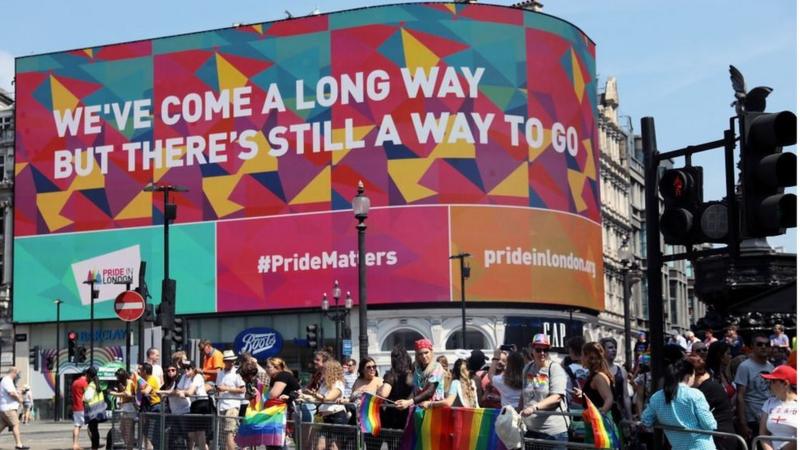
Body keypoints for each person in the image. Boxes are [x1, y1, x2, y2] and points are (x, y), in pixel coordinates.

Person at [641, 359, 717, 450]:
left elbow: (646, 420)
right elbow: (709, 425)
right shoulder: (695, 394)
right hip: (701, 446)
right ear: (688, 376)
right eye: (694, 374)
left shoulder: (657, 397)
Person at [519, 334, 569, 446]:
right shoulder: (527, 368)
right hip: (530, 431)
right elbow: (523, 394)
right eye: (538, 349)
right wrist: (518, 412)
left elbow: (556, 397)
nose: (542, 353)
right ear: (532, 350)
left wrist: (534, 407)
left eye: (545, 350)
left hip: (553, 433)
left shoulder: (555, 368)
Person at [686, 354, 738, 450]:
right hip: (715, 437)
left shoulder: (709, 388)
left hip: (721, 438)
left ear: (691, 374)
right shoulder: (705, 386)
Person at [576, 342, 618, 444]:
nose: (581, 358)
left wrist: (600, 413)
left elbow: (609, 398)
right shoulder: (596, 375)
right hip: (596, 426)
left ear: (589, 357)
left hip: (601, 428)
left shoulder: (598, 377)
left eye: (582, 355)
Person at [735, 334, 774, 442]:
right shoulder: (745, 366)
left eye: (767, 344)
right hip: (752, 419)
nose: (764, 347)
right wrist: (743, 423)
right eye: (760, 344)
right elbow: (740, 396)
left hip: (769, 417)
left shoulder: (770, 366)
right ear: (753, 347)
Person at [395, 339, 446, 409]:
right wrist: (404, 402)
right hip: (419, 408)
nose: (424, 356)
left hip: (434, 408)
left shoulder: (437, 367)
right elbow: (414, 391)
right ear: (417, 355)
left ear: (431, 352)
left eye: (426, 352)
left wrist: (409, 402)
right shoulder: (417, 369)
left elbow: (430, 391)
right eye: (420, 354)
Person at [759, 365, 798, 450]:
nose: (769, 385)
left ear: (785, 384)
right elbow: (763, 433)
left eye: (773, 381)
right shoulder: (769, 403)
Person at [311, 360, 347, 450]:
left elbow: (328, 398)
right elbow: (317, 399)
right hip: (323, 417)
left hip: (336, 416)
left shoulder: (338, 383)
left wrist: (314, 394)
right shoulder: (324, 384)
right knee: (319, 447)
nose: (322, 371)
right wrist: (303, 396)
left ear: (331, 370)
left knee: (333, 447)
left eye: (324, 369)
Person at [377, 345, 414, 430]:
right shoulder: (413, 374)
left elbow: (384, 393)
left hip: (394, 414)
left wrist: (378, 391)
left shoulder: (391, 375)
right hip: (410, 413)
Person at [216, 350, 246, 450]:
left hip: (233, 405)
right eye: (229, 360)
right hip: (221, 406)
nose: (232, 362)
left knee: (229, 432)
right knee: (223, 435)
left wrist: (226, 388)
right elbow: (218, 388)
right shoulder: (220, 373)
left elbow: (243, 389)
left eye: (233, 360)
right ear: (224, 361)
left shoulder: (237, 373)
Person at [178, 361, 211, 450]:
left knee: (200, 432)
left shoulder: (198, 376)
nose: (186, 370)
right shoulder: (185, 377)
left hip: (202, 403)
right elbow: (178, 389)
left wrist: (183, 392)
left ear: (193, 369)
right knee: (191, 433)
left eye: (188, 368)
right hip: (194, 404)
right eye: (184, 368)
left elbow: (190, 392)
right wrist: (181, 392)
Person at [599, 337, 632, 421]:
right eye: (610, 348)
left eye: (615, 348)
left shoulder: (622, 371)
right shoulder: (597, 370)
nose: (614, 350)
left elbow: (626, 396)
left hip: (619, 414)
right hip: (601, 413)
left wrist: (630, 419)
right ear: (602, 350)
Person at [106, 369, 136, 450]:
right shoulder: (122, 383)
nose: (117, 378)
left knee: (128, 430)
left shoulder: (129, 382)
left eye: (118, 377)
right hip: (124, 407)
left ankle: (129, 447)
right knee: (123, 429)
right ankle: (128, 446)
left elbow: (128, 394)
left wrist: (115, 393)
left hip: (129, 409)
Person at [0, 367, 28, 449]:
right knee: (15, 424)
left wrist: (19, 391)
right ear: (14, 372)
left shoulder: (6, 380)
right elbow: (11, 393)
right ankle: (19, 444)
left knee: (2, 425)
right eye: (17, 374)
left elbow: (12, 392)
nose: (17, 376)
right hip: (9, 408)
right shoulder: (7, 380)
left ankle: (19, 444)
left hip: (5, 408)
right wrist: (19, 399)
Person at [82, 367, 104, 450]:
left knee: (92, 430)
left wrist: (83, 396)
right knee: (94, 430)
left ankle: (94, 447)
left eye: (86, 375)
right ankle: (95, 447)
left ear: (89, 375)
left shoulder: (91, 385)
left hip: (92, 411)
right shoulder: (97, 384)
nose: (85, 377)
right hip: (98, 410)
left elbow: (87, 398)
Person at [71, 370, 88, 450]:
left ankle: (75, 444)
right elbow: (87, 395)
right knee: (88, 426)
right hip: (82, 407)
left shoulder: (74, 382)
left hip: (75, 406)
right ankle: (93, 444)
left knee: (77, 425)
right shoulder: (84, 382)